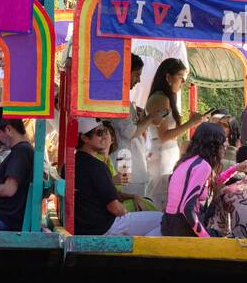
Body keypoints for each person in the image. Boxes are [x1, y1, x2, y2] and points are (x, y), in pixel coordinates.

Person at [160, 122, 247, 238]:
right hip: (182, 226)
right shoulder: (203, 166)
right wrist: (205, 237)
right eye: (223, 143)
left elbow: (213, 181)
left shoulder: (187, 161)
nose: (226, 146)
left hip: (168, 223)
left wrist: (236, 168)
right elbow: (187, 208)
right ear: (213, 145)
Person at [72, 117, 161, 236]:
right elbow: (116, 209)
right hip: (105, 227)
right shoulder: (96, 166)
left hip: (84, 227)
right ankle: (142, 253)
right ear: (84, 138)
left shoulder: (72, 162)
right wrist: (128, 213)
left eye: (104, 131)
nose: (104, 136)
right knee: (163, 220)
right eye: (99, 133)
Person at [145, 57, 207, 209]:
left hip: (165, 155)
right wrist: (190, 123)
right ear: (168, 77)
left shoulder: (165, 98)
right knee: (160, 199)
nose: (183, 83)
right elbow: (164, 135)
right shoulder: (160, 98)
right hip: (161, 157)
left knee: (164, 197)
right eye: (180, 77)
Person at [107, 54, 157, 201]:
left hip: (128, 159)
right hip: (126, 160)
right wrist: (151, 117)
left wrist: (141, 119)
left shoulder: (120, 98)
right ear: (125, 72)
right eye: (136, 75)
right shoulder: (117, 98)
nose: (139, 80)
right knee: (130, 207)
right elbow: (131, 132)